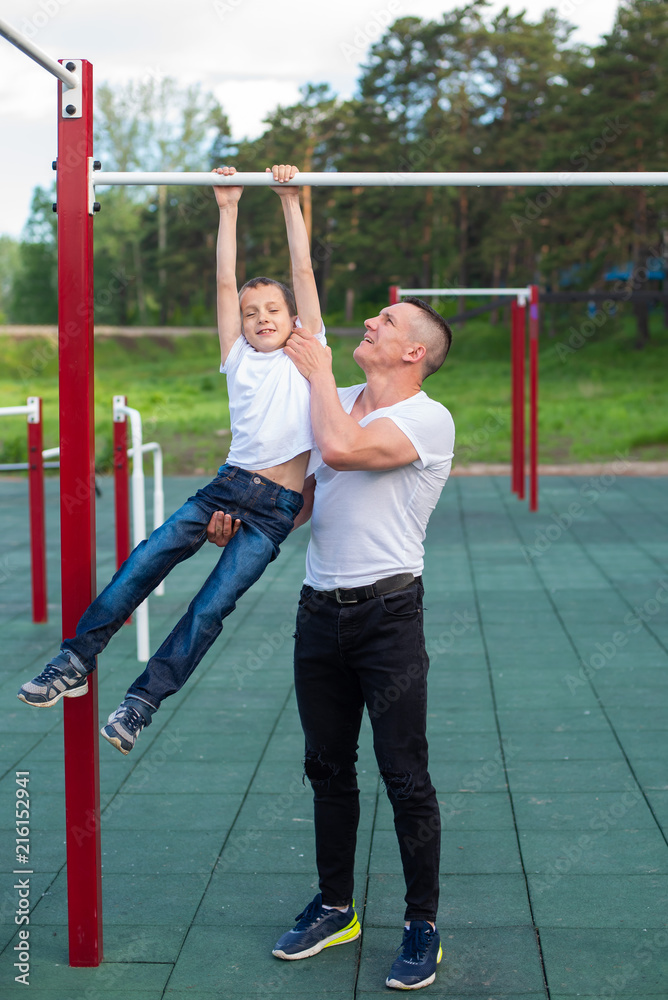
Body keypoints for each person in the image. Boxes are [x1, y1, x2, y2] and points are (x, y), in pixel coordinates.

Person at [17, 163, 325, 756]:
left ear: (294, 321)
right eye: (251, 311)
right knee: (141, 565)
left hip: (274, 512)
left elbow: (304, 271)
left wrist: (290, 201)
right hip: (226, 489)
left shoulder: (307, 353)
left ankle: (141, 702)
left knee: (212, 607)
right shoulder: (236, 355)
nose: (261, 318)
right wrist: (228, 207)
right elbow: (222, 282)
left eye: (272, 311)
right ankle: (74, 659)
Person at [208, 297, 454, 990]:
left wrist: (315, 373)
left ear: (413, 353)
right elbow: (301, 500)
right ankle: (336, 905)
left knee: (405, 774)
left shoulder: (426, 419)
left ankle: (421, 923)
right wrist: (241, 521)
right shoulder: (336, 396)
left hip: (389, 616)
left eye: (385, 321)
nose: (369, 323)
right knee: (326, 766)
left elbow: (344, 447)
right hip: (320, 611)